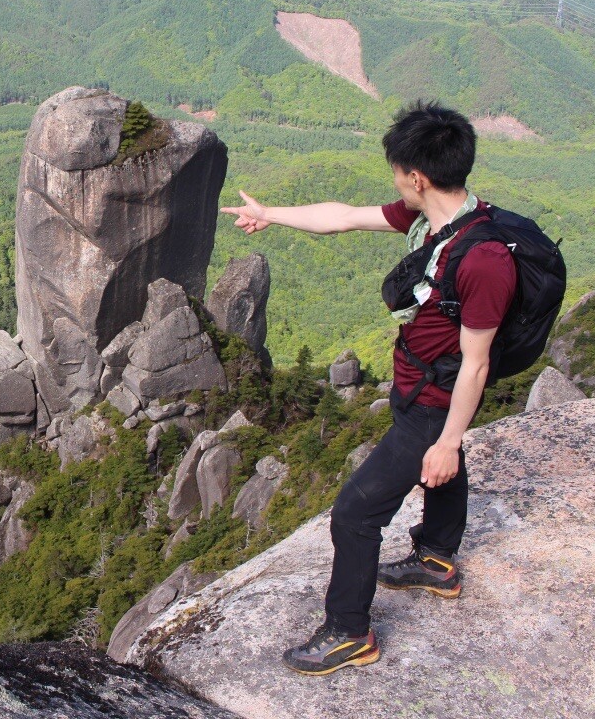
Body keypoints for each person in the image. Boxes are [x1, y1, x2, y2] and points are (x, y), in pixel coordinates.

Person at [220, 101, 517, 676]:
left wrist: (449, 439)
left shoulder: (483, 260)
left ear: (417, 177)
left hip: (437, 400)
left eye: (396, 172)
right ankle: (435, 558)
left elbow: (477, 364)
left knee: (354, 513)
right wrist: (272, 213)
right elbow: (347, 216)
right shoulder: (438, 219)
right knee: (436, 469)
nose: (393, 182)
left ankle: (349, 632)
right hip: (418, 384)